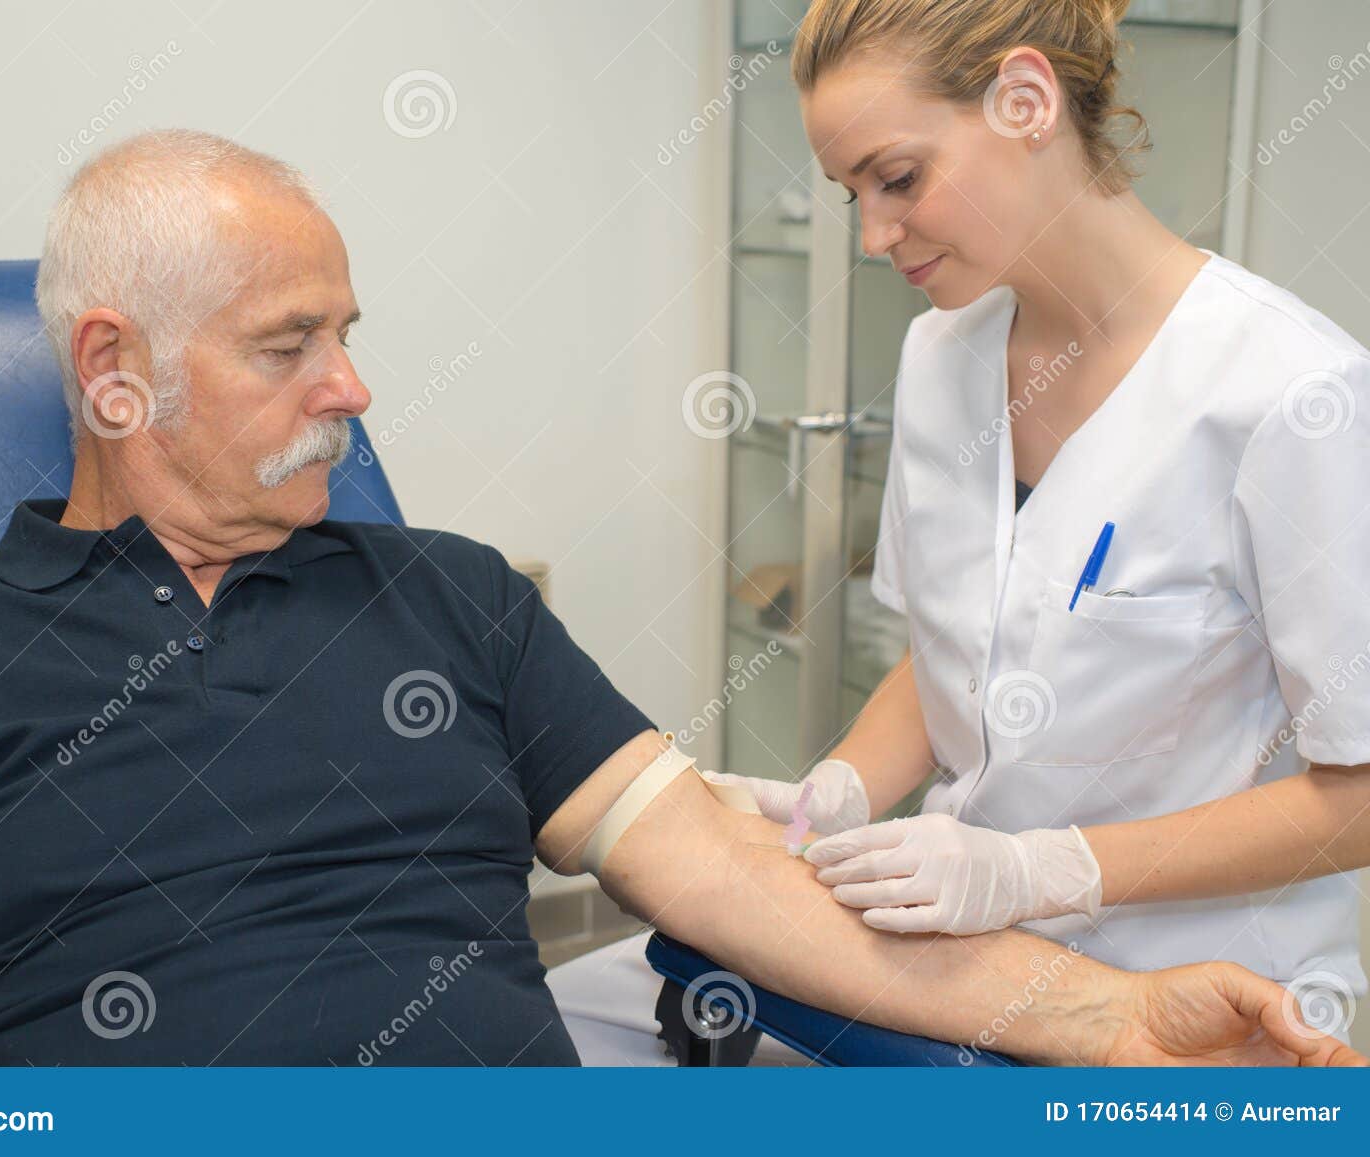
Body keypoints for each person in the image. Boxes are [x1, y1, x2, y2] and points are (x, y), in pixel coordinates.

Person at [0, 130, 1358, 1068]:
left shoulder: (449, 601)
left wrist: (1119, 1022)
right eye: (289, 346)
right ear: (112, 371)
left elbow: (750, 891)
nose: (355, 384)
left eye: (350, 329)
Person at [556, 0, 1370, 1061]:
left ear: (1024, 101)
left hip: (1194, 998)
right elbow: (954, 655)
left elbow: (1351, 797)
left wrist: (1047, 867)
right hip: (956, 954)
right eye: (852, 193)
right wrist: (827, 798)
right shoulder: (943, 356)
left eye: (898, 178)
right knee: (551, 1026)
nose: (875, 234)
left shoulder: (1289, 396)